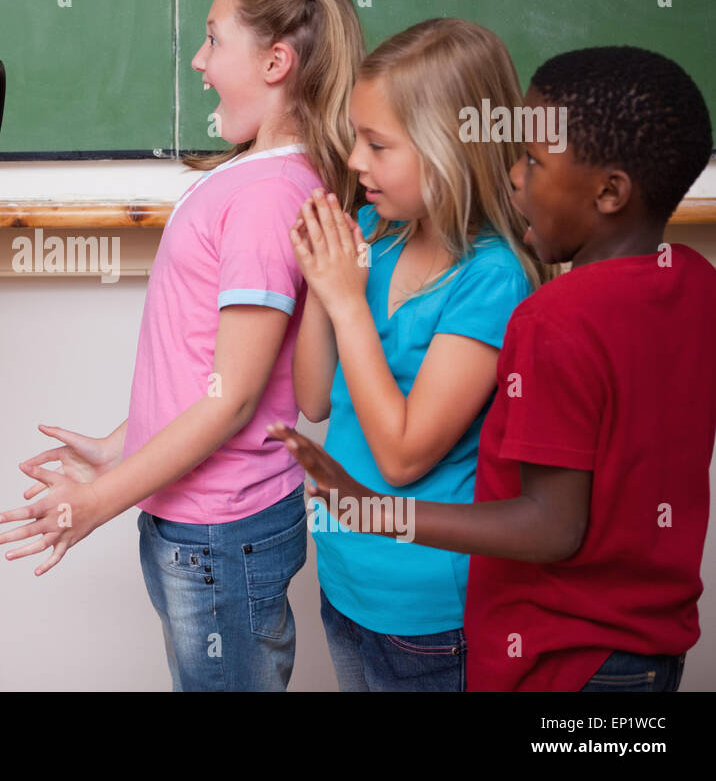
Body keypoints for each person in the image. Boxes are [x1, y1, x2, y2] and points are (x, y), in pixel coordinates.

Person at [275, 45, 715, 692]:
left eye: (533, 162)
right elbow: (315, 397)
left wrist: (376, 511)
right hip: (636, 639)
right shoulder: (694, 280)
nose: (516, 177)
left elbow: (549, 523)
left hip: (548, 647)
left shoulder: (543, 312)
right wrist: (326, 277)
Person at [0, 0, 365, 691]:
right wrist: (119, 445)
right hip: (195, 527)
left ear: (276, 61)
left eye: (213, 40)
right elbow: (205, 371)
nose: (198, 60)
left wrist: (99, 500)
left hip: (219, 536)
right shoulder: (253, 177)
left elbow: (232, 401)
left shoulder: (266, 198)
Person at [288, 18, 550, 690]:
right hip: (347, 582)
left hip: (429, 614)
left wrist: (348, 302)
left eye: (377, 144)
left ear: (449, 151)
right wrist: (326, 282)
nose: (353, 161)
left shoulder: (493, 279)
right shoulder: (382, 234)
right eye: (355, 139)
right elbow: (314, 397)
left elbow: (403, 457)